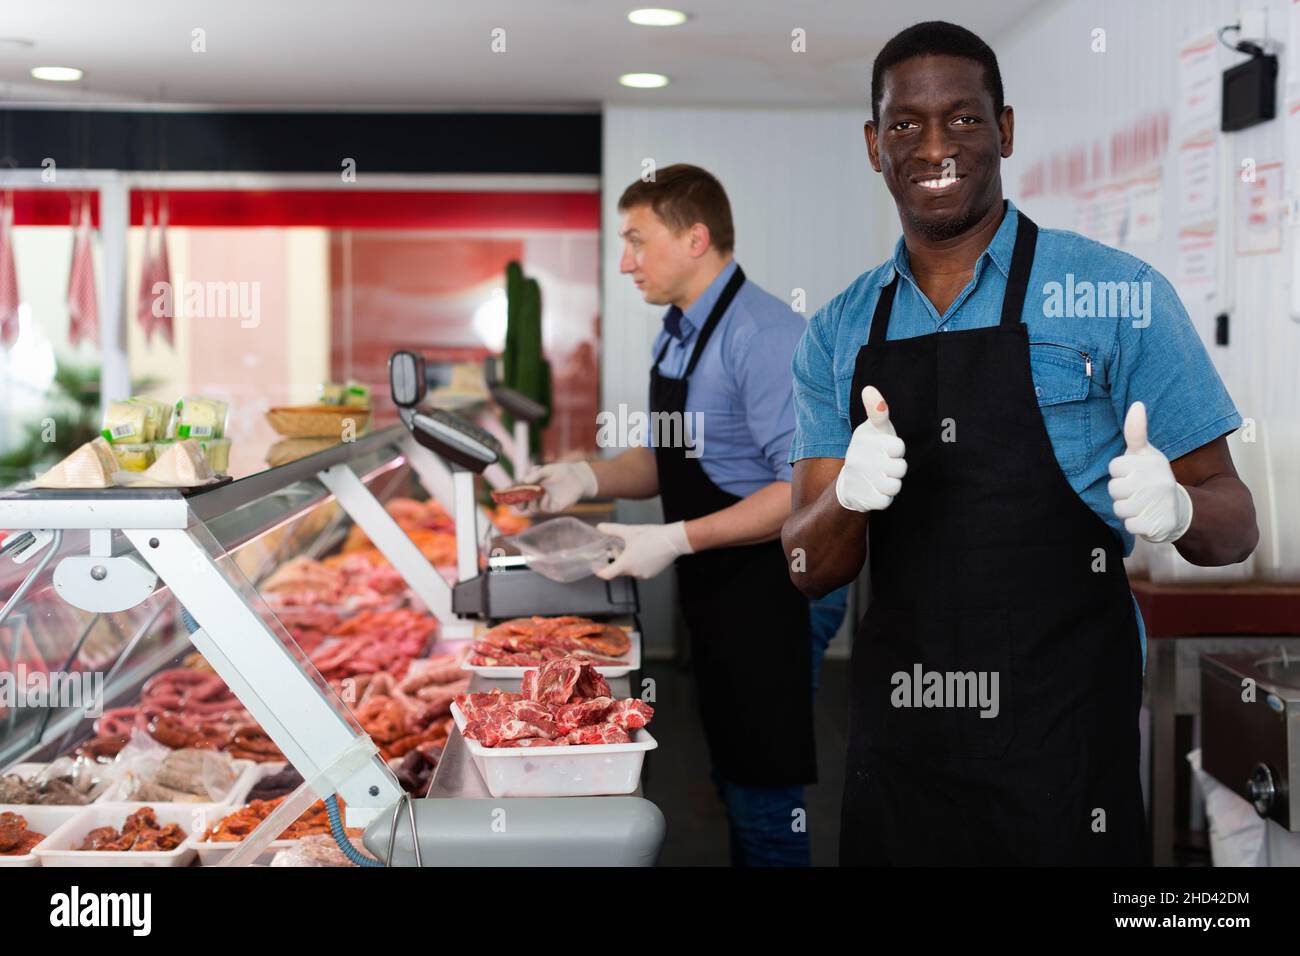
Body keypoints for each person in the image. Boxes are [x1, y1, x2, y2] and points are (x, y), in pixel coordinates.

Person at [782, 21, 1258, 866]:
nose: (935, 145)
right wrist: (843, 500)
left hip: (1063, 732)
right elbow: (807, 565)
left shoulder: (1117, 294)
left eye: (964, 119)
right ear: (873, 145)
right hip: (904, 733)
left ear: (1005, 129)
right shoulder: (838, 331)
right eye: (905, 124)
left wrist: (1178, 506)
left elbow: (1235, 529)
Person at [522, 163, 832, 866]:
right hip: (719, 581)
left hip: (778, 586)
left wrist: (675, 536)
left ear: (696, 239)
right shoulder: (678, 331)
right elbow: (671, 456)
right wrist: (584, 475)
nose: (625, 262)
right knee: (730, 770)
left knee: (764, 791)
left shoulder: (765, 334)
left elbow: (805, 490)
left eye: (636, 240)